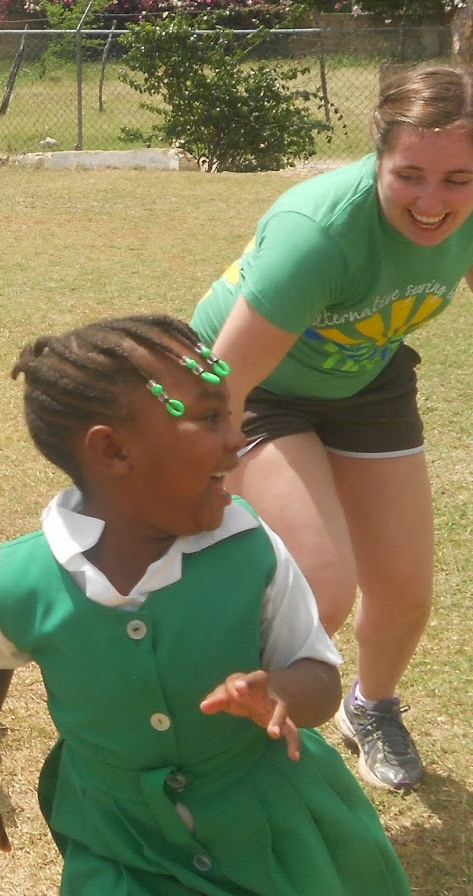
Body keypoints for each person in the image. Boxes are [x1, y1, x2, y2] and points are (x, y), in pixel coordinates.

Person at [0, 315, 410, 896]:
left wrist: (281, 693)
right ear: (112, 450)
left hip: (270, 821)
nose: (237, 438)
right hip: (118, 838)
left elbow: (320, 678)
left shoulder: (250, 548)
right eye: (210, 418)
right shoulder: (17, 579)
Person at [191, 63, 473, 792]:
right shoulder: (317, 233)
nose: (434, 203)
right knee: (321, 583)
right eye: (410, 175)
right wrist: (184, 489)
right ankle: (223, 722)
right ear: (378, 155)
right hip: (254, 386)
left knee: (405, 586)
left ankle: (369, 708)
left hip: (367, 376)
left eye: (457, 180)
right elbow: (219, 385)